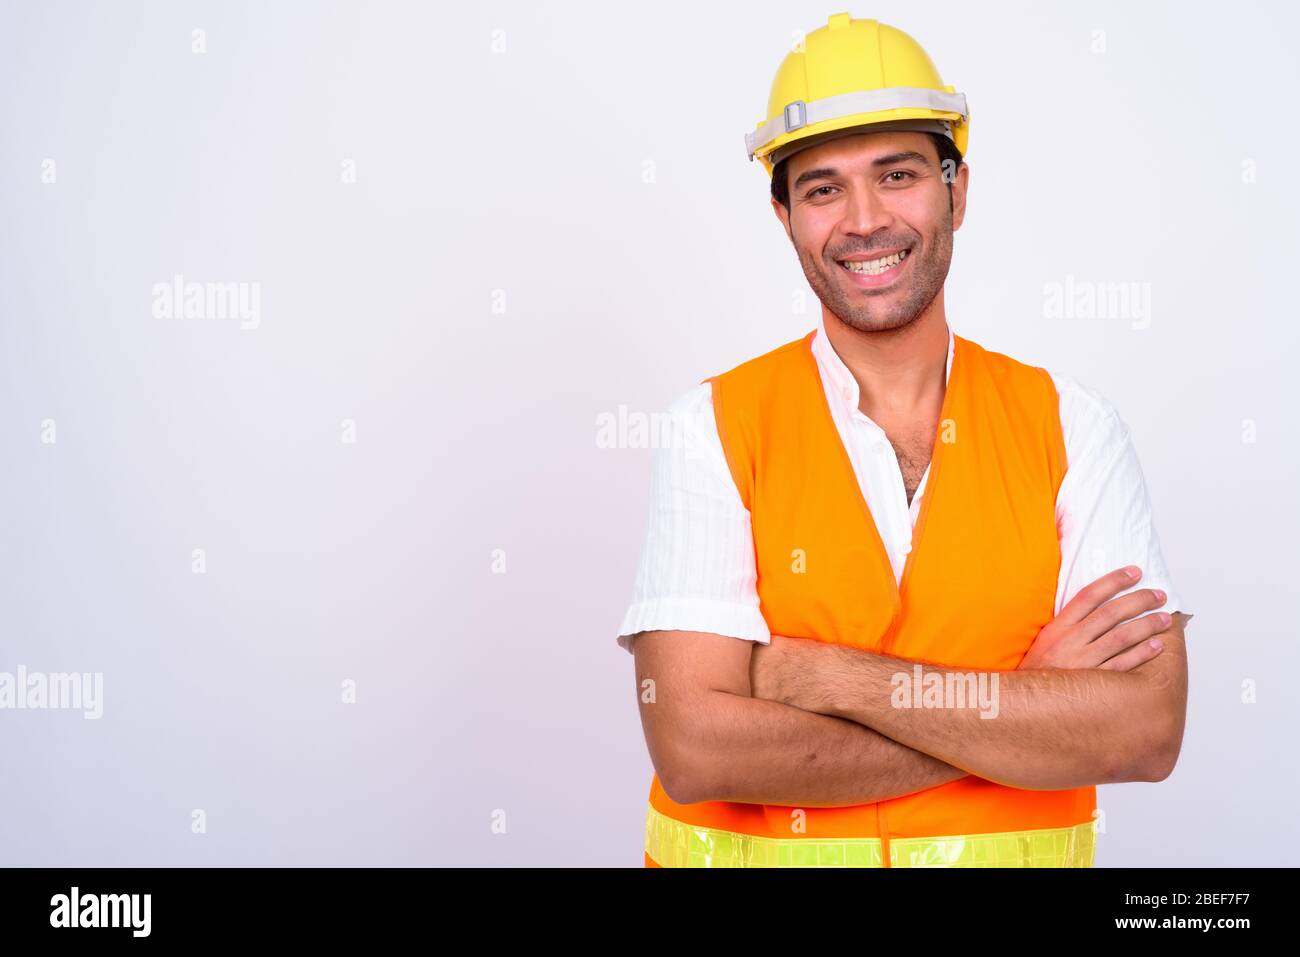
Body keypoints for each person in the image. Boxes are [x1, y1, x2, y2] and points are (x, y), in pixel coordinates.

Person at [616, 14, 1191, 868]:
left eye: (897, 174)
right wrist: (1028, 709)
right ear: (784, 217)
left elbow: (1144, 732)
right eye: (822, 188)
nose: (863, 220)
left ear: (957, 191)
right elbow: (697, 750)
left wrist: (831, 682)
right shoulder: (715, 427)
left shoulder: (1073, 428)